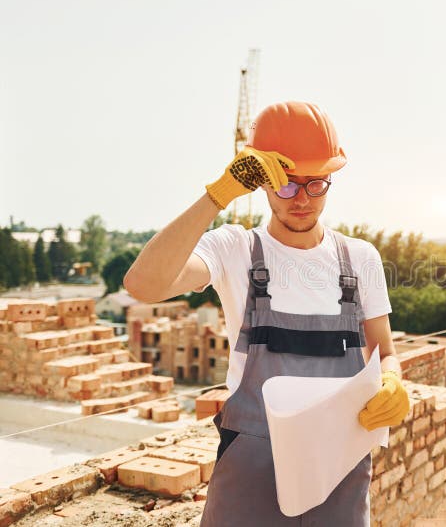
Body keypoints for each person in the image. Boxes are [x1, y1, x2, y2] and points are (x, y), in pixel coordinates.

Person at [123, 101, 410, 526]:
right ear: (261, 182)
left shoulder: (359, 259)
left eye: (316, 185)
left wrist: (393, 380)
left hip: (339, 473)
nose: (302, 199)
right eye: (288, 185)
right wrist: (217, 195)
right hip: (250, 474)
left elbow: (384, 353)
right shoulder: (235, 249)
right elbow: (143, 284)